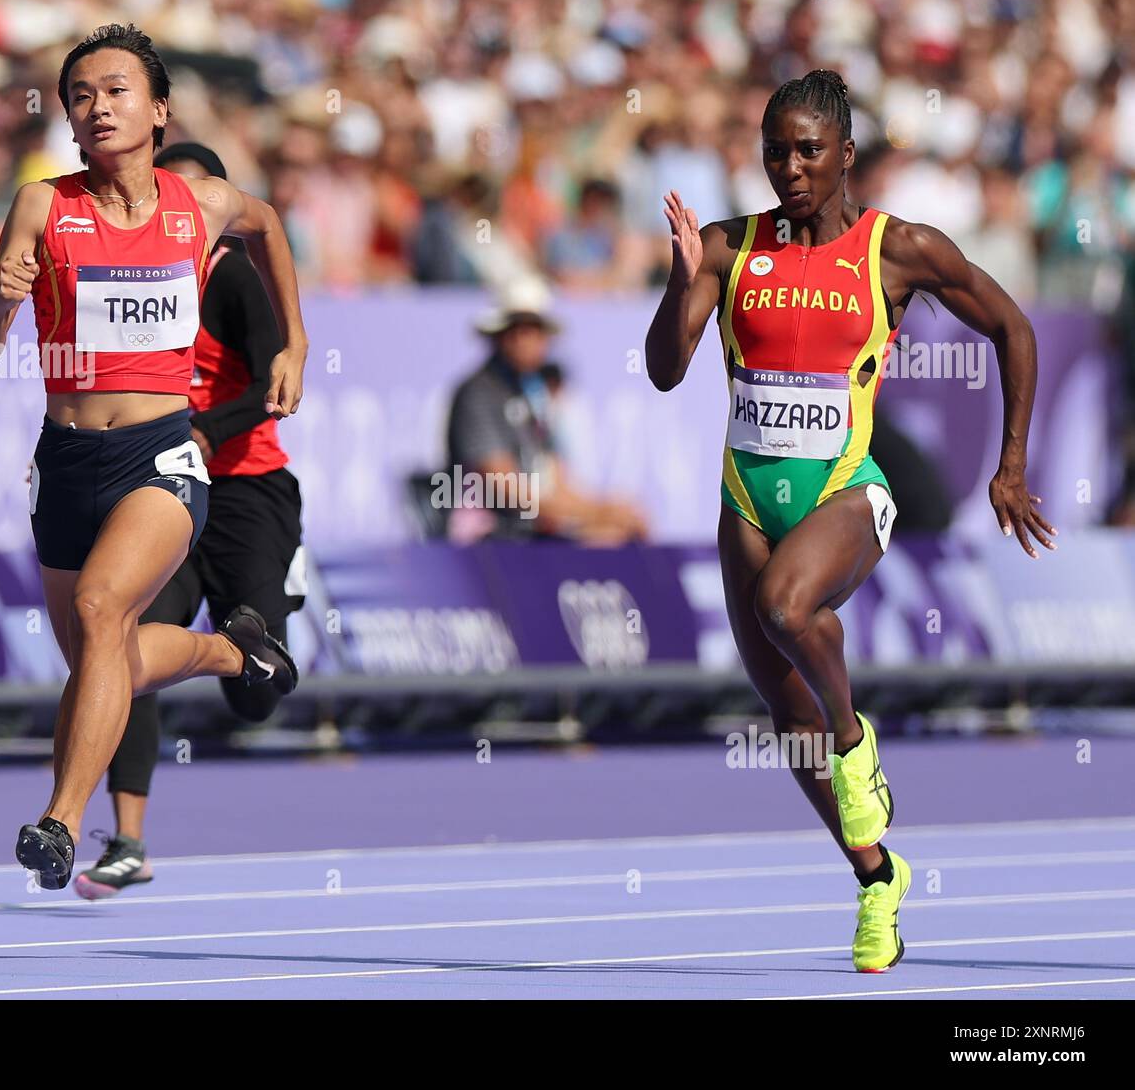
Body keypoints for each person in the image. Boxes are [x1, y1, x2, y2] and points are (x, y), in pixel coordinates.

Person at [645, 69, 1057, 972]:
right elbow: (666, 371)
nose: (789, 168)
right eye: (774, 152)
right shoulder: (726, 247)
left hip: (846, 493)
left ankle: (855, 737)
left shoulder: (896, 248)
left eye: (808, 150)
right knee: (788, 726)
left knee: (788, 611)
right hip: (745, 504)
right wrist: (683, 287)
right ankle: (877, 881)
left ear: (845, 155)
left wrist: (1012, 463)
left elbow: (1014, 330)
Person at [0, 24, 308, 891]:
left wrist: (293, 343)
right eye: (81, 96)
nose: (98, 106)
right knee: (95, 660)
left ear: (158, 111)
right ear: (70, 121)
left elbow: (269, 228)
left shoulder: (204, 205)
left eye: (116, 90)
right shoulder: (44, 204)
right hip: (66, 460)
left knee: (104, 607)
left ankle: (61, 822)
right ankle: (229, 651)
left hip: (161, 456)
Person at [74, 142, 307, 899]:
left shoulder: (234, 277)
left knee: (255, 700)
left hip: (246, 492)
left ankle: (249, 643)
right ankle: (127, 840)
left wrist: (204, 427)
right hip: (163, 490)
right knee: (118, 649)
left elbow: (275, 383)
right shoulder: (133, 276)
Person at [446, 277, 649, 545]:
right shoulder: (477, 394)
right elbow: (506, 490)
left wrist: (608, 510)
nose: (533, 341)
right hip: (491, 538)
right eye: (523, 329)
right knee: (608, 537)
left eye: (538, 331)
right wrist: (596, 513)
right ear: (504, 335)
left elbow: (554, 481)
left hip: (533, 528)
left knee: (624, 530)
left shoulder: (532, 394)